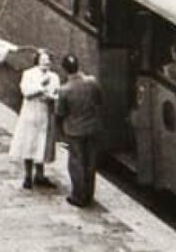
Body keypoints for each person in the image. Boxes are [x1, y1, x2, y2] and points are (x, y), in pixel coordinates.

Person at [56, 53, 104, 208]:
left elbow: (60, 113)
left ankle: (78, 196)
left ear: (65, 70)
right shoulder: (92, 82)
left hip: (74, 131)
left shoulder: (65, 90)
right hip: (92, 128)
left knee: (77, 163)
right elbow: (99, 100)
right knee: (90, 162)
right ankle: (89, 194)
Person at [8, 50, 60, 188]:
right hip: (30, 113)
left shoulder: (54, 76)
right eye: (43, 60)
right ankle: (27, 176)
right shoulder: (29, 74)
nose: (46, 63)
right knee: (29, 143)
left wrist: (52, 97)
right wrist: (41, 86)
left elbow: (56, 93)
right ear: (37, 61)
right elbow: (26, 92)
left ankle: (40, 175)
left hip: (45, 113)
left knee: (41, 144)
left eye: (48, 60)